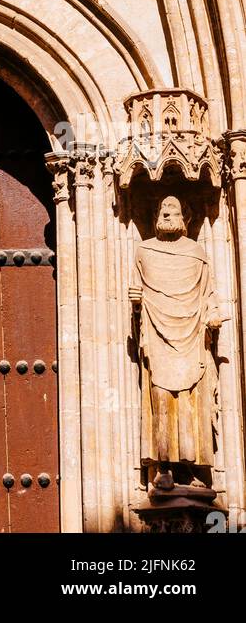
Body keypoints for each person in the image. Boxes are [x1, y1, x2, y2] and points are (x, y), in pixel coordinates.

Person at [130, 194, 221, 488]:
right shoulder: (143, 251)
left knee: (191, 399)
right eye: (163, 210)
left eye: (173, 210)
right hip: (157, 334)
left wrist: (213, 313)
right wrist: (136, 302)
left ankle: (193, 470)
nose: (167, 214)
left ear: (185, 216)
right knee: (159, 397)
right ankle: (163, 468)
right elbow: (137, 292)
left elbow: (209, 294)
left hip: (191, 335)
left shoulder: (197, 254)